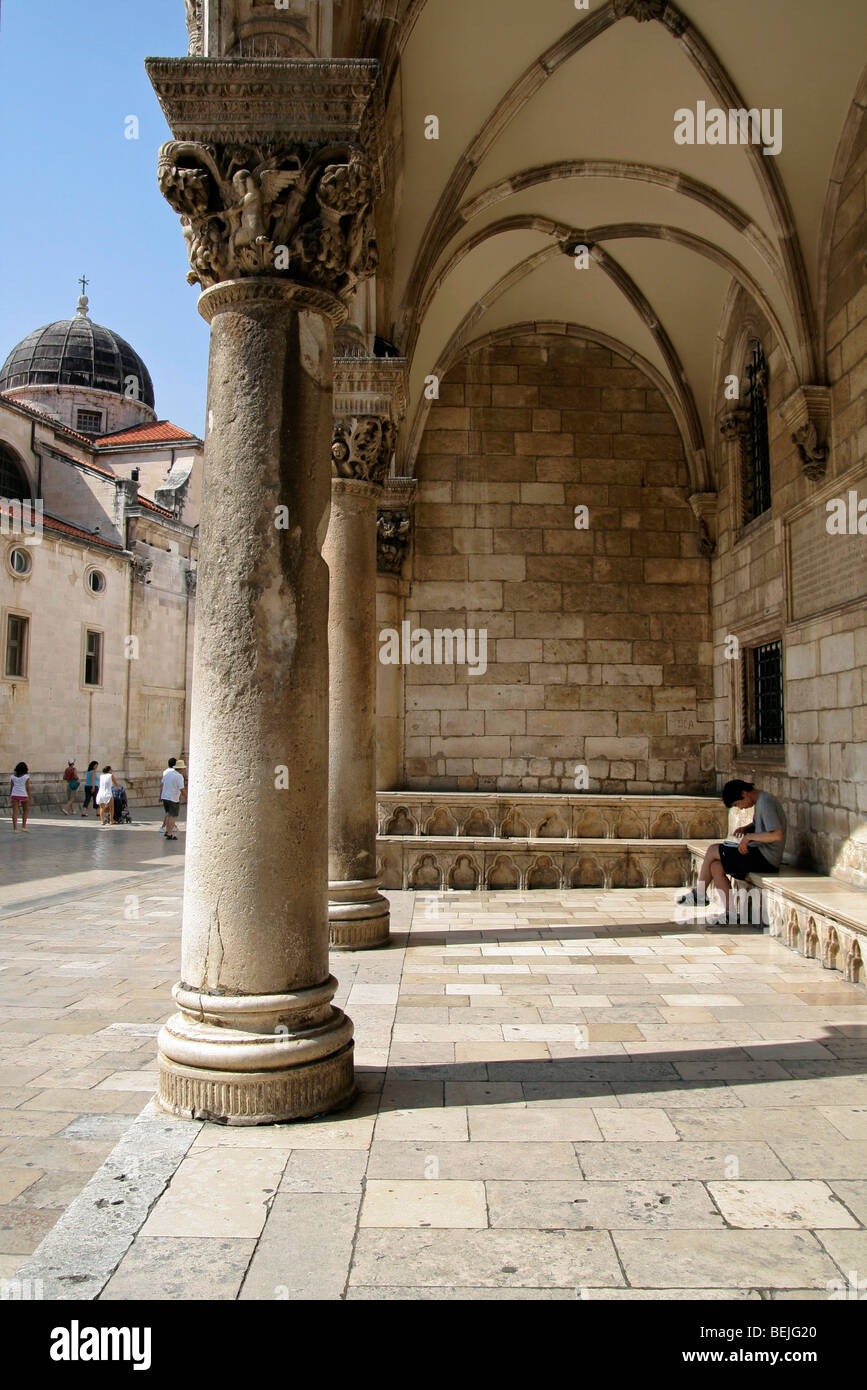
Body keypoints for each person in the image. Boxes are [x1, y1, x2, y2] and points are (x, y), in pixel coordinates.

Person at [678, 779, 787, 919]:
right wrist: (747, 828)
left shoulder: (766, 802)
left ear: (744, 794)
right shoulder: (761, 801)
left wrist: (749, 838)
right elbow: (761, 825)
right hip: (759, 854)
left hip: (766, 858)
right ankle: (731, 913)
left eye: (737, 804)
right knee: (716, 867)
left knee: (713, 850)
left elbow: (776, 834)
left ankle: (699, 894)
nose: (740, 808)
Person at [160, 757, 185, 841]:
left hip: (165, 797)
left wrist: (160, 795)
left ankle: (167, 831)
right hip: (173, 798)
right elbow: (182, 789)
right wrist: (187, 797)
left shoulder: (167, 774)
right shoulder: (179, 776)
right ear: (180, 768)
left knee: (168, 814)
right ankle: (170, 833)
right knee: (173, 816)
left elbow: (162, 785)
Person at [95, 765, 120, 829]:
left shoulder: (101, 776)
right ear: (109, 770)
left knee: (101, 808)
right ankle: (111, 820)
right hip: (108, 793)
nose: (112, 771)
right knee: (111, 807)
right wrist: (118, 788)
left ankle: (102, 821)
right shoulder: (111, 776)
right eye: (111, 769)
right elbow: (116, 784)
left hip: (101, 793)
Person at [9, 761, 31, 832]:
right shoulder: (26, 777)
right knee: (25, 810)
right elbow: (27, 788)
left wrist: (10, 794)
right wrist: (30, 796)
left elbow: (11, 787)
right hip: (23, 794)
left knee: (15, 812)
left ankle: (15, 828)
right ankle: (23, 826)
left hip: (14, 794)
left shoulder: (12, 777)